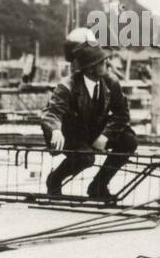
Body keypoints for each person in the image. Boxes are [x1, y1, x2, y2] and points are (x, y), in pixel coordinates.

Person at [39, 29, 137, 201]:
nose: (108, 64)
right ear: (90, 67)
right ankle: (55, 179)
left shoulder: (111, 82)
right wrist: (55, 130)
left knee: (129, 141)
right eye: (103, 62)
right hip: (72, 133)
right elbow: (51, 112)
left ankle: (98, 186)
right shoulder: (67, 86)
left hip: (95, 129)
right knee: (86, 158)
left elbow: (122, 113)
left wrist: (106, 135)